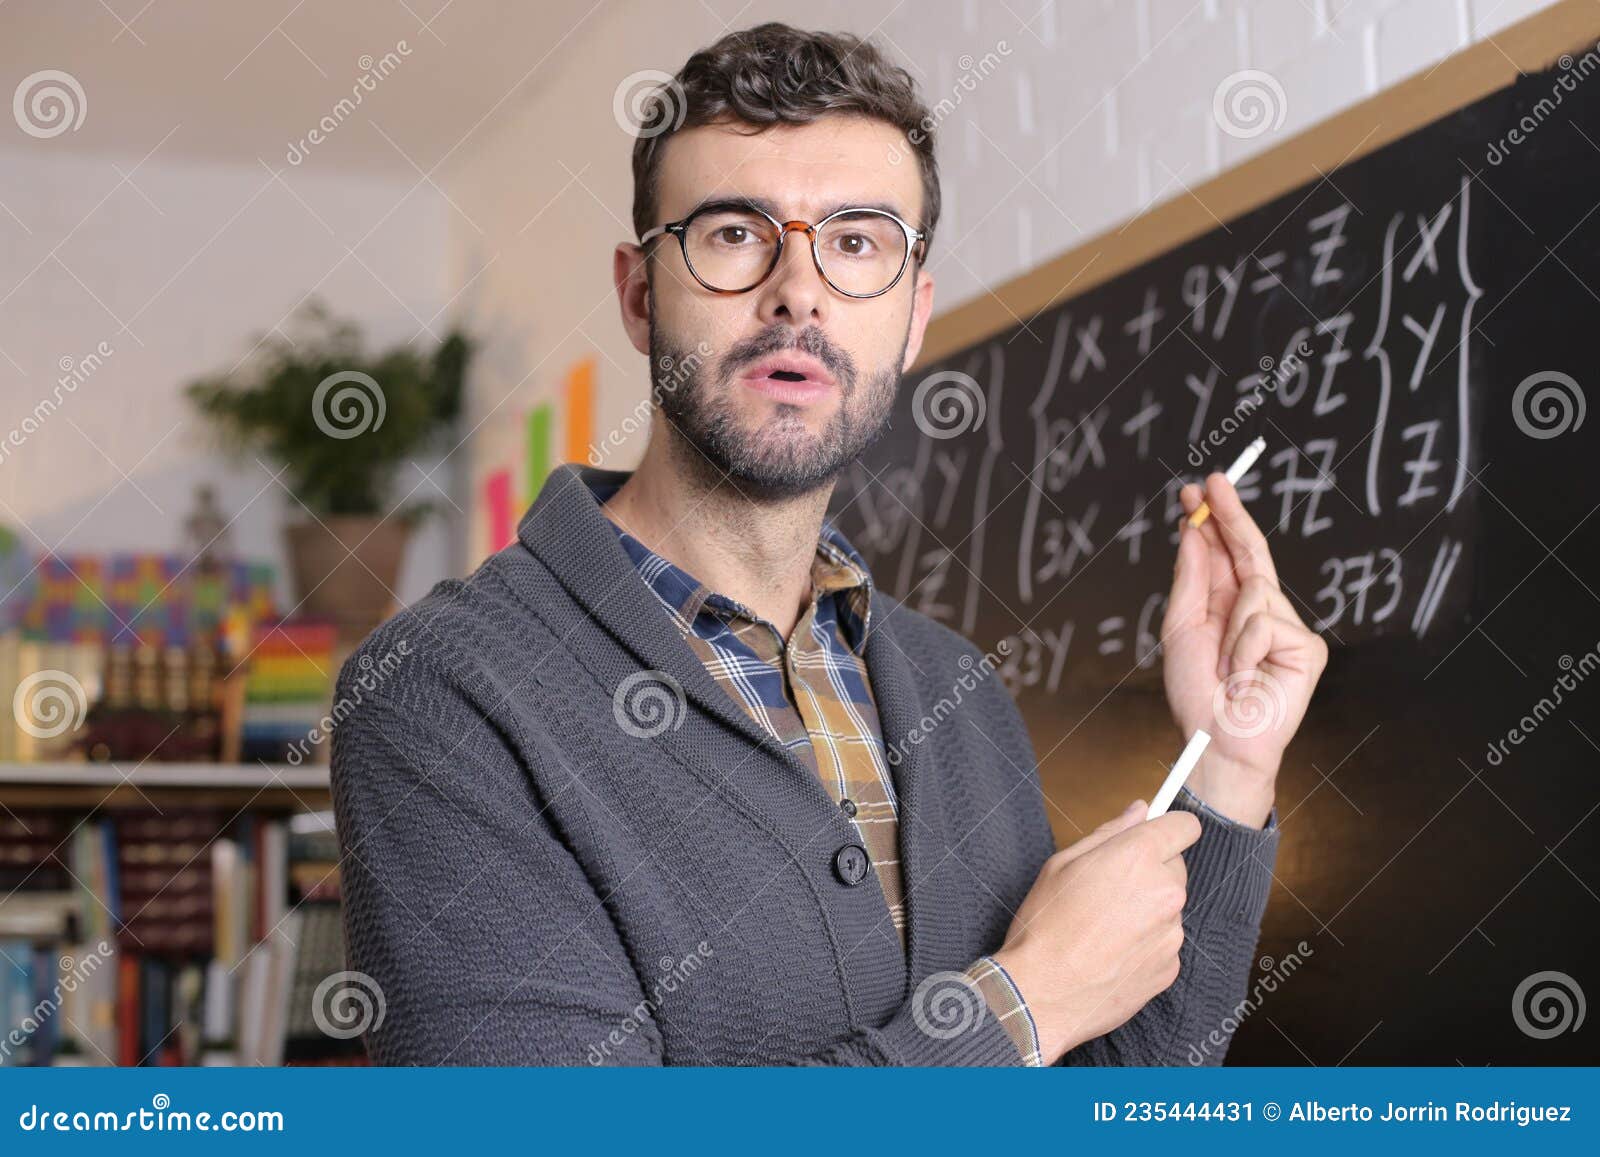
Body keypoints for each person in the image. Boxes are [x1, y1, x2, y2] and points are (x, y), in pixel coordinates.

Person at [329, 22, 1327, 1066]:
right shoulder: (443, 689)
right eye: (732, 233)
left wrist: (1228, 763)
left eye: (856, 242)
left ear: (910, 319)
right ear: (637, 294)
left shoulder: (954, 688)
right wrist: (1016, 1006)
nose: (797, 291)